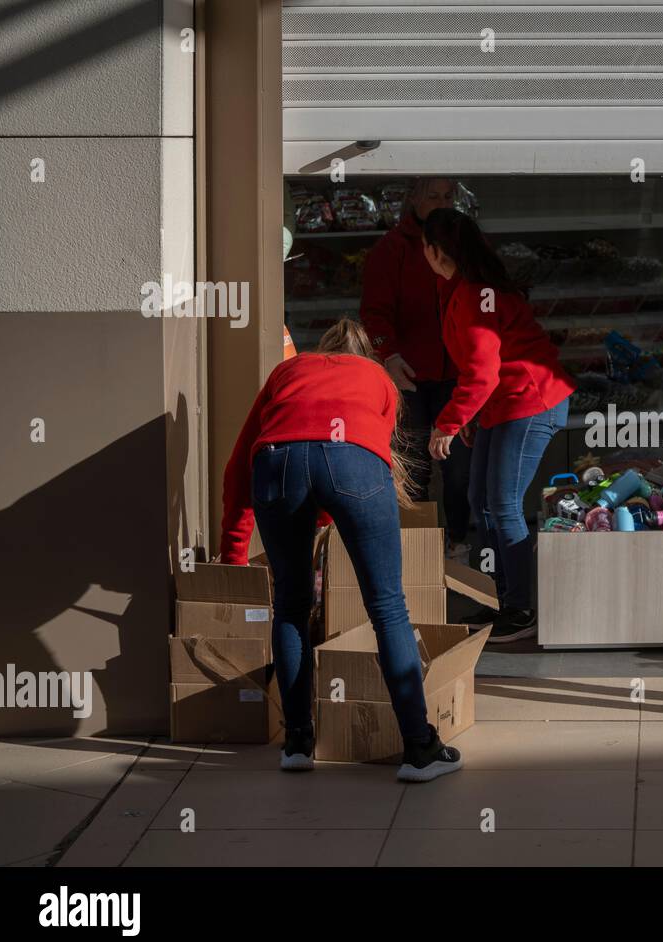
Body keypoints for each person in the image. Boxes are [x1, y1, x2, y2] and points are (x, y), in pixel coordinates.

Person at [218, 319, 463, 781]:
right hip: (350, 460)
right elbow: (365, 456)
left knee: (290, 608)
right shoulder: (378, 379)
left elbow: (237, 469)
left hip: (276, 463)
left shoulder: (288, 372)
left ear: (321, 349)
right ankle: (419, 749)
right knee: (388, 608)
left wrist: (232, 557)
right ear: (366, 353)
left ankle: (297, 743)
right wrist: (331, 510)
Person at [420, 208, 575, 644]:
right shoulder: (466, 287)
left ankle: (520, 607)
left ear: (434, 251)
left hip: (529, 400)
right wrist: (473, 417)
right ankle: (499, 595)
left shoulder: (473, 292)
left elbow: (483, 372)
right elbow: (484, 371)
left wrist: (448, 423)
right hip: (507, 402)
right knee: (481, 500)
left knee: (503, 504)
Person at [360, 177, 472, 559]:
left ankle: (460, 543)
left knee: (459, 470)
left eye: (447, 196)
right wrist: (388, 355)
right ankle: (417, 549)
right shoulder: (391, 250)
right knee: (414, 466)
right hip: (409, 376)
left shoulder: (466, 244)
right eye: (433, 196)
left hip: (458, 378)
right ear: (414, 199)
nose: (441, 203)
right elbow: (375, 314)